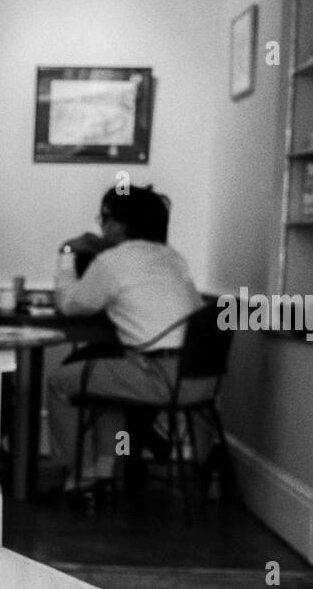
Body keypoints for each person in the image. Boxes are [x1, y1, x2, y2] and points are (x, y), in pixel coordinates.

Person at [46, 184, 202, 492]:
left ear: (117, 223)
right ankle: (104, 471)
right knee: (108, 376)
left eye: (104, 218)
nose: (102, 226)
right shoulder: (173, 258)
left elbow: (69, 305)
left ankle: (80, 475)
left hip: (158, 377)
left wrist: (67, 251)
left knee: (59, 382)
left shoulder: (114, 261)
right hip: (199, 378)